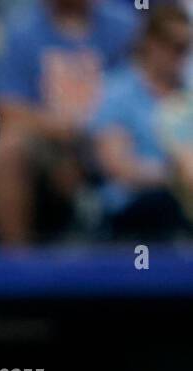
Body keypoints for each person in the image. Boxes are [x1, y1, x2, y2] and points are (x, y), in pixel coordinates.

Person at [0, 0, 137, 245]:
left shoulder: (123, 27)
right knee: (5, 149)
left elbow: (142, 92)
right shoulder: (20, 29)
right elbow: (5, 107)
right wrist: (61, 132)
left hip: (113, 135)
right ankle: (17, 265)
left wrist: (94, 130)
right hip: (46, 140)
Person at [90, 5, 193, 241]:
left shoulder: (188, 97)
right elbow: (118, 167)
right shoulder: (117, 92)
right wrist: (175, 176)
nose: (182, 55)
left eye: (187, 47)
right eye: (175, 46)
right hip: (137, 205)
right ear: (151, 43)